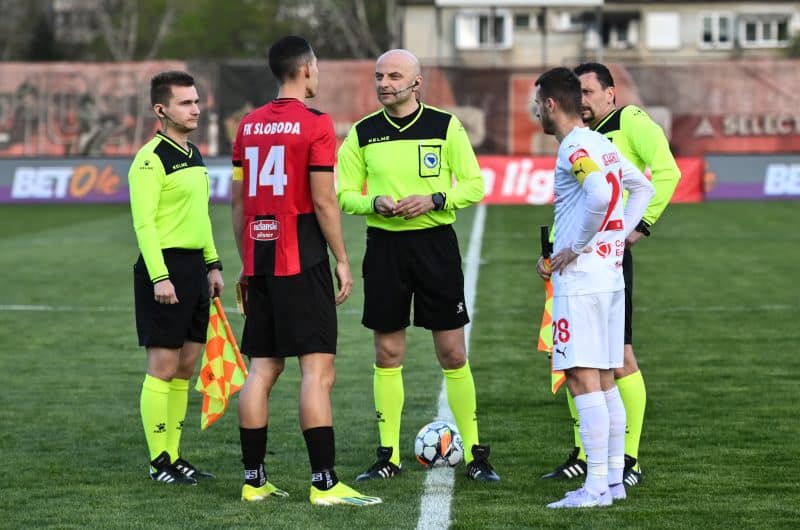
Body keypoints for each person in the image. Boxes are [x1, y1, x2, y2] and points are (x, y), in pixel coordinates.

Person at [231, 35, 381, 507]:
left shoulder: (247, 125)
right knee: (317, 373)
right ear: (306, 69)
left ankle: (254, 480)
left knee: (261, 370)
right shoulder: (316, 125)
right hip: (302, 257)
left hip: (260, 257)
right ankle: (324, 483)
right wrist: (341, 258)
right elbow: (323, 199)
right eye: (316, 65)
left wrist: (245, 261)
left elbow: (238, 203)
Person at [337, 49, 499, 482]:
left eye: (394, 75)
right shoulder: (362, 133)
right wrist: (375, 202)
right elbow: (344, 193)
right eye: (379, 76)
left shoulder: (445, 126)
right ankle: (387, 455)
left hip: (435, 247)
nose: (385, 83)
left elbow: (475, 184)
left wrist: (435, 199)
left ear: (416, 82)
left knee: (452, 351)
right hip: (385, 248)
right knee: (388, 353)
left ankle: (476, 455)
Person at [541, 63, 681, 487]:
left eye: (588, 92)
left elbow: (662, 176)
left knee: (611, 361)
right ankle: (592, 456)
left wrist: (636, 228)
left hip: (595, 264)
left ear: (610, 94)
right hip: (596, 259)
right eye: (576, 92)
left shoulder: (625, 125)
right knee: (577, 359)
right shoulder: (591, 140)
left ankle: (625, 460)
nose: (581, 100)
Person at [129, 70, 224, 485]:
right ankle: (157, 462)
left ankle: (174, 455)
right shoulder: (149, 159)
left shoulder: (194, 153)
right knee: (162, 367)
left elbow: (200, 217)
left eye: (197, 101)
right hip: (163, 270)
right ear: (161, 109)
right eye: (187, 103)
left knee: (186, 367)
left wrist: (213, 262)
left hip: (193, 271)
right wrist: (159, 277)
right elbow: (144, 224)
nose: (196, 109)